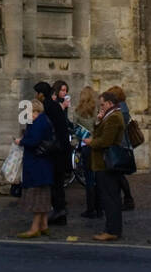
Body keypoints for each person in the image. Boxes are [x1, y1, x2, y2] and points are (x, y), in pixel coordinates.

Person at [88, 90, 128, 241]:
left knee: (110, 198)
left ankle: (112, 230)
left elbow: (105, 141)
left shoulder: (114, 117)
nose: (101, 107)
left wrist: (91, 143)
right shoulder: (109, 116)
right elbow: (100, 134)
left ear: (110, 104)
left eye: (103, 104)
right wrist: (98, 121)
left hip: (107, 163)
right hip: (104, 163)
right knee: (110, 197)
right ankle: (112, 229)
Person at [15, 99, 56, 238]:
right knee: (43, 196)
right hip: (42, 165)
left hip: (37, 165)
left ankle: (34, 228)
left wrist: (21, 141)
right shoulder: (43, 120)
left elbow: (33, 141)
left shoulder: (39, 123)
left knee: (37, 197)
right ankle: (44, 225)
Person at [35, 79, 71, 225]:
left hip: (56, 150)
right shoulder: (54, 105)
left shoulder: (49, 107)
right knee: (57, 184)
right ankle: (60, 213)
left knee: (55, 183)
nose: (36, 96)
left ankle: (59, 212)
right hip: (60, 149)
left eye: (37, 93)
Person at [106, 84, 136, 210]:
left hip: (120, 145)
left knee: (118, 174)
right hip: (121, 144)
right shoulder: (121, 108)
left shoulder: (120, 110)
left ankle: (127, 199)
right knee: (118, 175)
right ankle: (127, 199)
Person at [73, 85, 99, 219]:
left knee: (88, 178)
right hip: (97, 146)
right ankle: (99, 208)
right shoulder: (97, 110)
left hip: (85, 147)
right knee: (98, 178)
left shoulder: (78, 111)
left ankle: (90, 209)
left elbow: (75, 130)